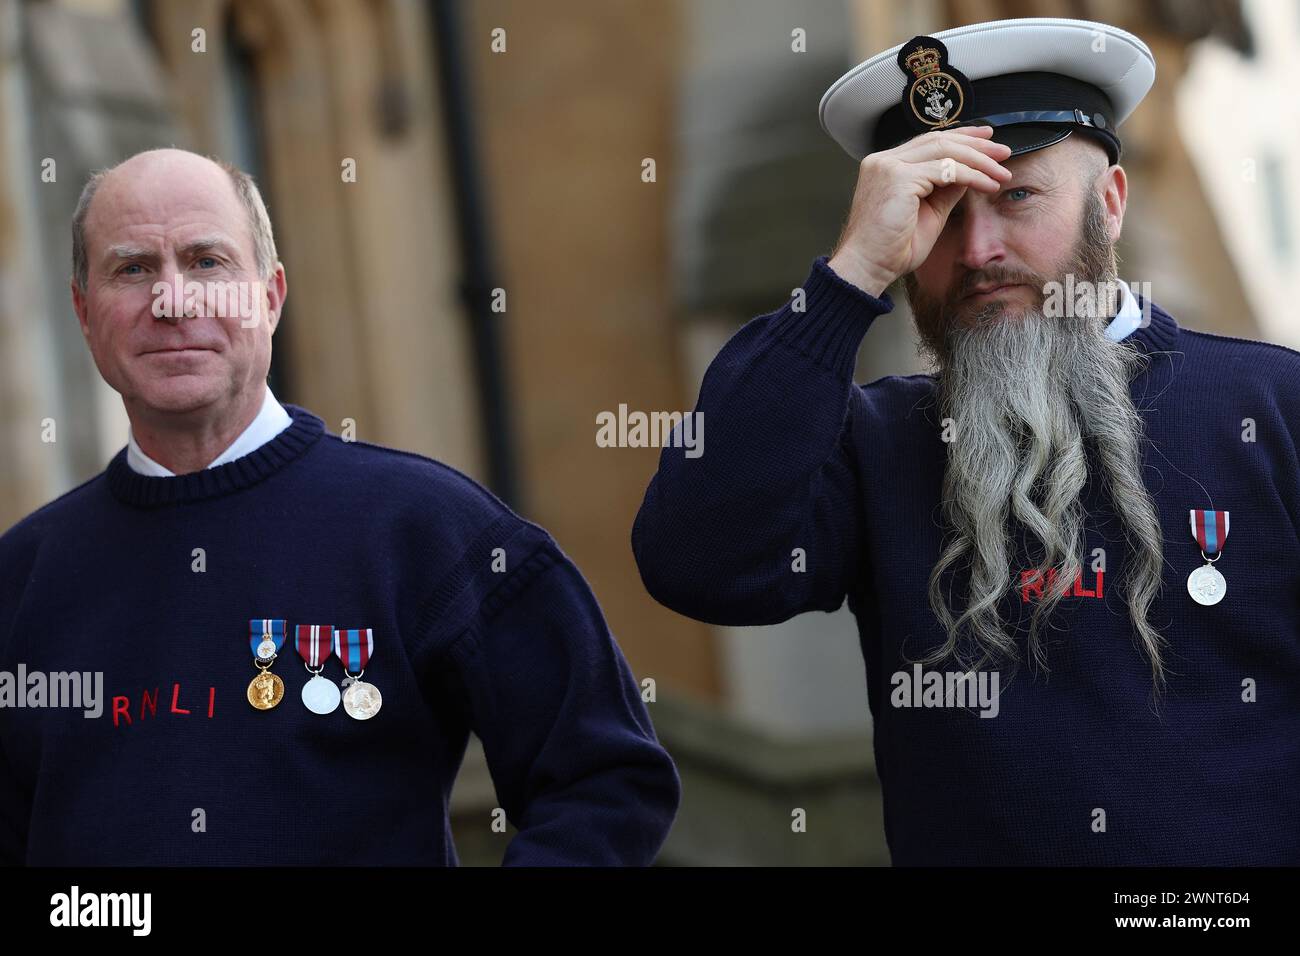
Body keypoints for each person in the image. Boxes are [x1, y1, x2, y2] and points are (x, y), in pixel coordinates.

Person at [632, 17, 1300, 865]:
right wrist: (847, 279)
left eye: (1018, 196)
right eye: (939, 212)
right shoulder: (874, 446)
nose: (979, 250)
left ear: (1111, 201)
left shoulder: (1272, 407)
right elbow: (696, 558)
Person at [0, 147, 680, 865]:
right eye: (132, 268)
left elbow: (606, 778)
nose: (174, 300)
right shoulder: (23, 579)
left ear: (270, 294)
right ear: (83, 310)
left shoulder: (423, 528)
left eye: (207, 262)